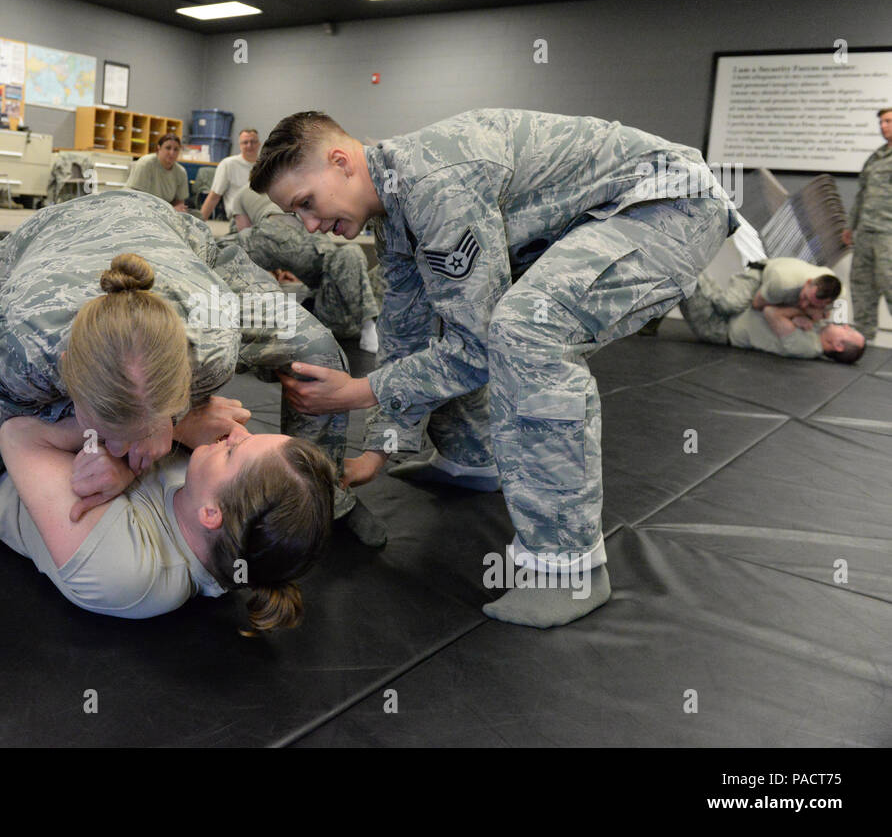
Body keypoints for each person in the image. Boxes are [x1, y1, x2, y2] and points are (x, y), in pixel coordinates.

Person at [252, 109, 740, 628]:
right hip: (601, 216)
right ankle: (473, 459)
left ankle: (568, 567)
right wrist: (381, 446)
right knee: (459, 315)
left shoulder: (436, 183)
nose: (308, 224)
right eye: (294, 215)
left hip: (667, 204)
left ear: (341, 161)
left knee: (523, 330)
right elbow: (406, 328)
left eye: (306, 203)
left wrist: (355, 392)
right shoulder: (394, 209)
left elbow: (478, 347)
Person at [0, 242, 335, 630]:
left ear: (211, 514)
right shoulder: (226, 509)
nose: (234, 434)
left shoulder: (129, 575)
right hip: (65, 426)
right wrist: (161, 435)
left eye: (235, 450)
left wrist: (153, 440)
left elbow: (19, 436)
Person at [0, 191, 380, 543]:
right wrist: (123, 446)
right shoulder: (23, 345)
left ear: (186, 381)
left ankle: (331, 497)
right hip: (43, 240)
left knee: (315, 349)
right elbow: (21, 422)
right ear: (66, 370)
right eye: (117, 440)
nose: (120, 449)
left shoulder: (214, 337)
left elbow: (170, 395)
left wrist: (170, 428)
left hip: (165, 233)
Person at [220, 183, 382, 352]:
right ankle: (369, 323)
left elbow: (244, 232)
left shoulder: (241, 195)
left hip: (274, 230)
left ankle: (368, 324)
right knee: (350, 253)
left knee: (222, 251)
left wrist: (273, 269)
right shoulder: (285, 186)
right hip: (310, 238)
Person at [681, 266, 865, 362]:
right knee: (690, 268)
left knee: (684, 273)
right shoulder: (816, 328)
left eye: (849, 332)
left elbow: (770, 312)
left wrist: (802, 311)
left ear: (839, 345)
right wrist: (800, 316)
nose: (846, 326)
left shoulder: (807, 347)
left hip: (718, 327)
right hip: (731, 313)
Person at [841, 108, 892, 343]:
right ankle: (863, 338)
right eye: (881, 122)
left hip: (888, 233)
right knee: (862, 283)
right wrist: (851, 226)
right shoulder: (876, 156)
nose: (883, 126)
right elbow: (862, 195)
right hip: (866, 232)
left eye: (888, 121)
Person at [201, 128, 261, 222]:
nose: (249, 145)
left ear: (259, 144)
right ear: (240, 145)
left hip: (262, 214)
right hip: (240, 217)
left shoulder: (266, 165)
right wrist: (198, 225)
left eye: (253, 142)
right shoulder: (228, 164)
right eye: (245, 142)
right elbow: (214, 196)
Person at [125, 133, 190, 211]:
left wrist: (177, 209)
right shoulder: (146, 164)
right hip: (138, 206)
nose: (172, 153)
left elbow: (180, 201)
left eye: (176, 149)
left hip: (165, 211)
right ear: (159, 148)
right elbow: (135, 196)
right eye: (168, 148)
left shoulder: (181, 172)